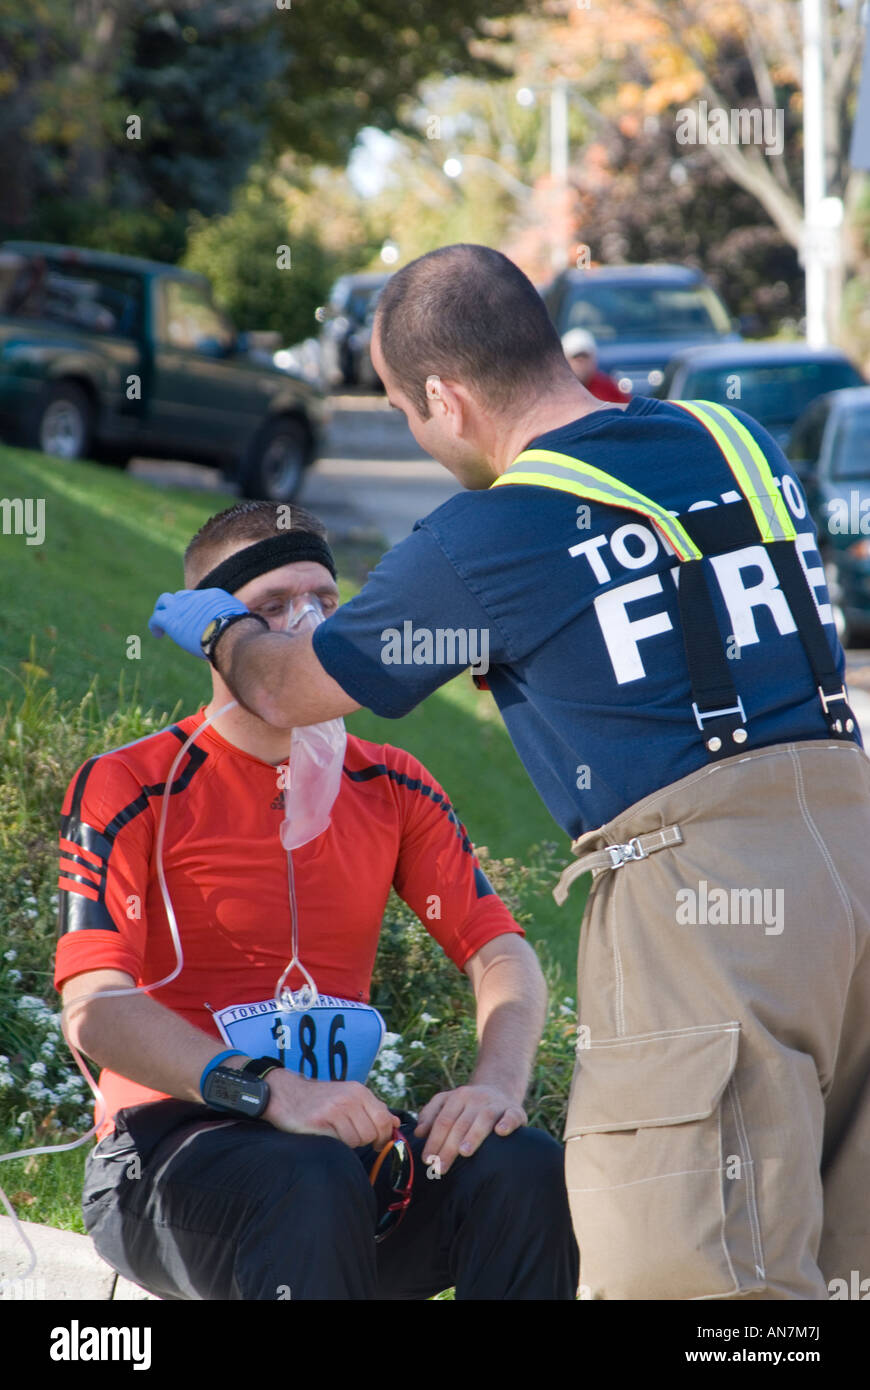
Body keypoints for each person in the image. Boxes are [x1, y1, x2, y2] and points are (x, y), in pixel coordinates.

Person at [149, 243, 870, 1302]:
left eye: (401, 409)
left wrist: (224, 629)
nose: (411, 431)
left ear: (444, 394)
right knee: (837, 1255)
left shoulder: (489, 534)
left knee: (693, 1267)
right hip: (849, 860)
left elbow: (291, 689)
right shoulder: (734, 437)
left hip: (708, 897)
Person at [56, 499, 579, 1302]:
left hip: (336, 1153)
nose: (305, 626)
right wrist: (271, 1088)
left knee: (523, 1164)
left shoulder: (393, 783)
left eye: (324, 604)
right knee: (310, 1177)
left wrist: (497, 1086)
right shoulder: (133, 784)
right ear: (217, 635)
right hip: (168, 1154)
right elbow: (94, 1010)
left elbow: (500, 952)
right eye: (271, 608)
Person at [560, 327, 630, 403]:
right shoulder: (557, 390)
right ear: (565, 360)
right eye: (576, 358)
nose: (581, 364)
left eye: (585, 357)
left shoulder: (607, 387)